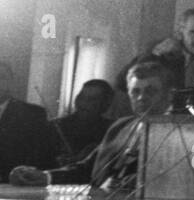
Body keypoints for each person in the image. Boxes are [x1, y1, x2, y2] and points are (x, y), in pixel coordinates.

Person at [9, 60, 173, 190]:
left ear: (168, 94)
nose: (141, 98)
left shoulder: (180, 133)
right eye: (135, 91)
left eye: (150, 91)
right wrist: (43, 176)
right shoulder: (120, 127)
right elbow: (87, 168)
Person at [0, 60, 57, 178]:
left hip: (16, 184)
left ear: (11, 82)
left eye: (2, 77)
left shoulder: (33, 114)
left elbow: (42, 156)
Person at [50, 79, 115, 166]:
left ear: (105, 104)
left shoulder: (112, 129)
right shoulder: (55, 126)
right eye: (82, 97)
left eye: (92, 99)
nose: (84, 103)